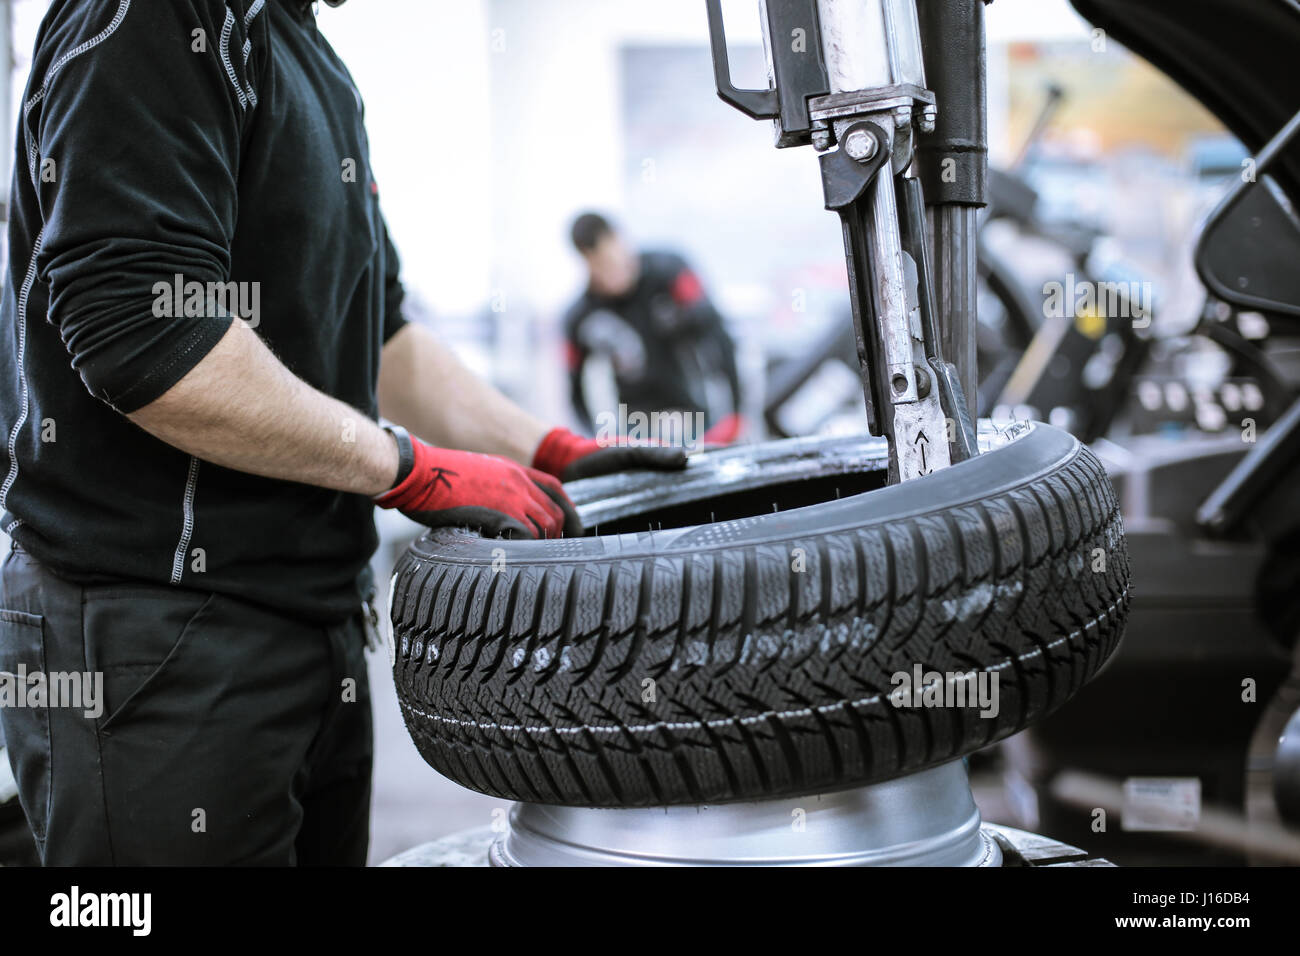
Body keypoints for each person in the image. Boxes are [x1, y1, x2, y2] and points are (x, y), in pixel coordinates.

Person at [0, 0, 683, 866]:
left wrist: (546, 451)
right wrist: (408, 468)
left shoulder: (307, 58)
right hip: (155, 632)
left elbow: (386, 334)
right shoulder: (155, 18)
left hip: (311, 620)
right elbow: (145, 337)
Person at [564, 213, 744, 446]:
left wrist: (735, 413)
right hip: (637, 427)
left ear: (621, 240)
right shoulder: (582, 316)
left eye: (616, 260)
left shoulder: (670, 273)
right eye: (603, 266)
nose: (615, 273)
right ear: (587, 261)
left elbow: (717, 333)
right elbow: (574, 387)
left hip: (694, 415)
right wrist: (592, 440)